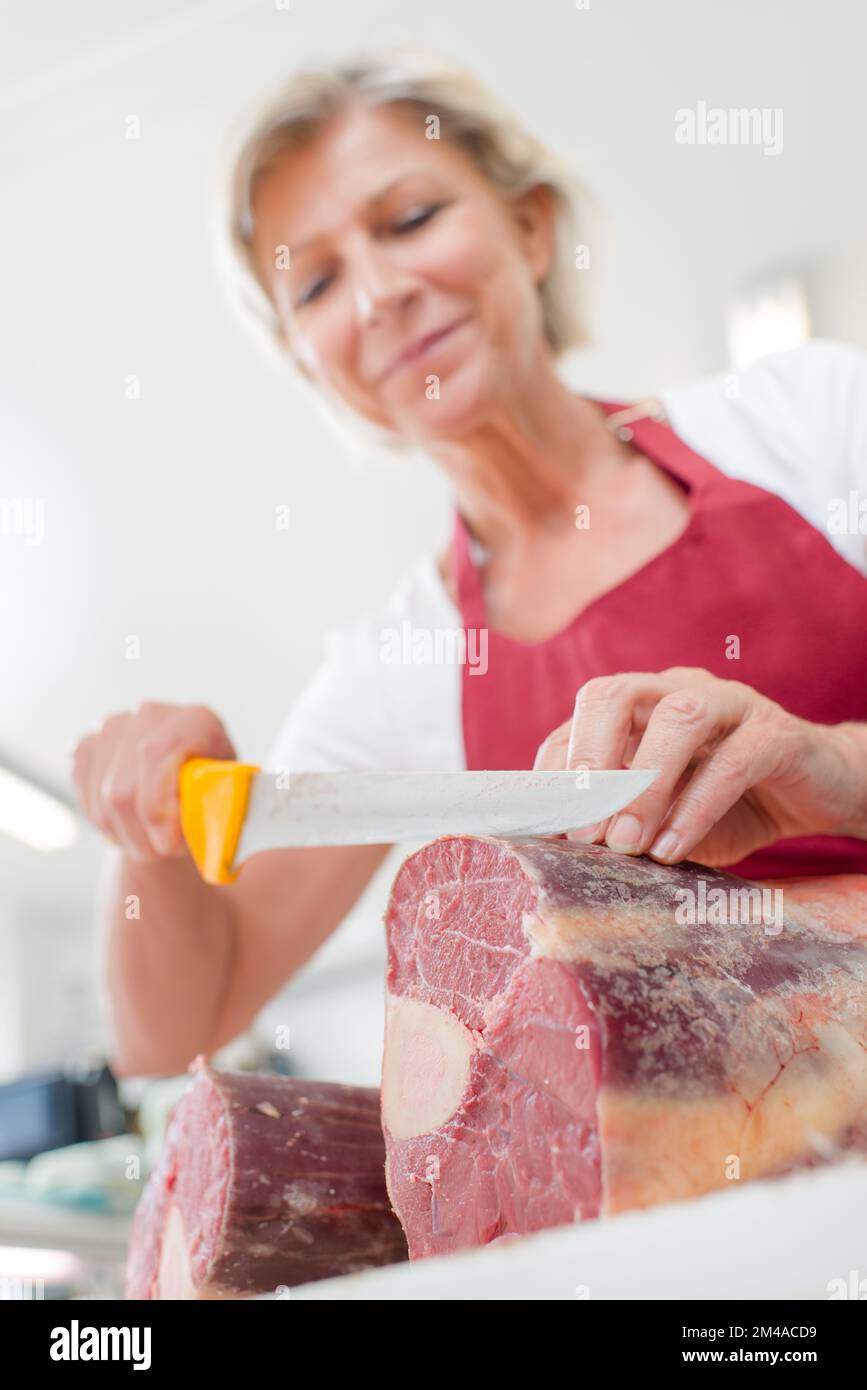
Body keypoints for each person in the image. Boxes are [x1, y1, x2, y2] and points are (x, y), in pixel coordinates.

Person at [72, 48, 867, 1077]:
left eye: (409, 220)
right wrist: (148, 823)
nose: (378, 292)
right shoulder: (396, 669)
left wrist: (839, 769)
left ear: (531, 227)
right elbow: (176, 1025)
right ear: (311, 362)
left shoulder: (808, 420)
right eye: (314, 282)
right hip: (706, 1194)